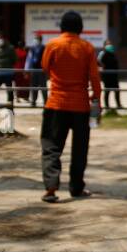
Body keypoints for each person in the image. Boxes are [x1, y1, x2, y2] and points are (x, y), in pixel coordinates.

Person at [40, 11, 101, 203]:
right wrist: (96, 97)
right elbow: (94, 77)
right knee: (79, 149)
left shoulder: (53, 45)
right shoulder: (87, 47)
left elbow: (45, 67)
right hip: (80, 106)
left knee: (51, 146)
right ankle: (76, 188)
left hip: (55, 104)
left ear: (61, 27)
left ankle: (51, 188)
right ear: (81, 28)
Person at [0, 30, 16, 105]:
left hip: (8, 73)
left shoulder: (10, 48)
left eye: (0, 37)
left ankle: (10, 104)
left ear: (4, 38)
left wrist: (8, 64)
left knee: (9, 89)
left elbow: (14, 59)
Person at [26, 34, 48, 106]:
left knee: (43, 87)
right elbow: (29, 60)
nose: (35, 40)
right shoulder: (31, 49)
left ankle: (46, 102)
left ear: (40, 40)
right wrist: (26, 70)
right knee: (33, 87)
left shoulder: (44, 48)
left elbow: (47, 59)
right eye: (35, 39)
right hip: (33, 70)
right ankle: (33, 101)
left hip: (42, 70)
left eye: (37, 39)